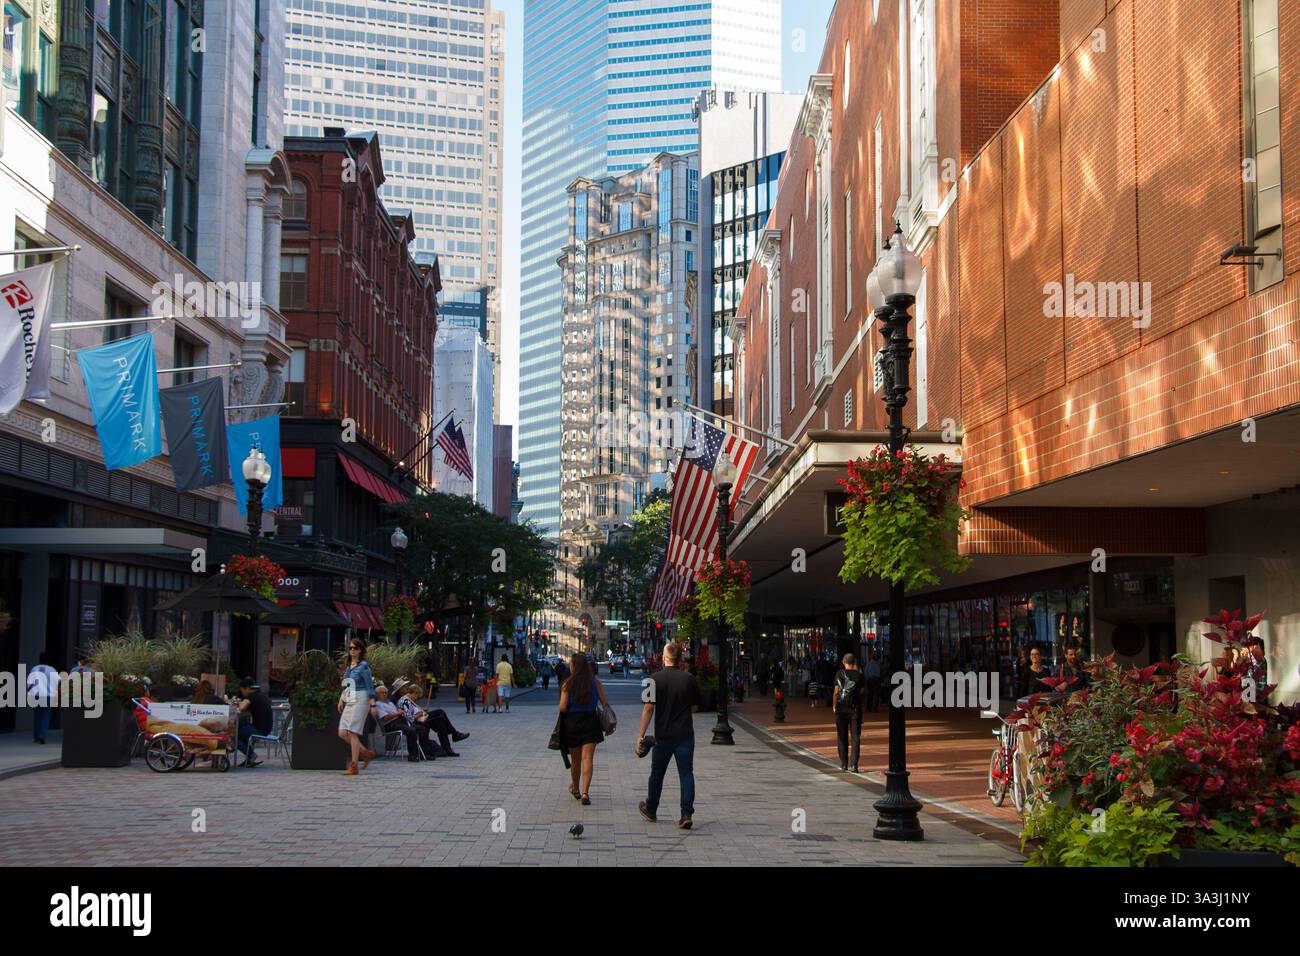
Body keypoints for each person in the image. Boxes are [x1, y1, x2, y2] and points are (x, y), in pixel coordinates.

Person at [636, 641, 699, 829]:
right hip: (685, 734)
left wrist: (641, 735)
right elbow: (695, 707)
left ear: (664, 658)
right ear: (680, 658)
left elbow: (648, 709)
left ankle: (651, 808)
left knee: (657, 773)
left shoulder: (652, 679)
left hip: (662, 734)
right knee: (686, 773)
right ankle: (686, 813)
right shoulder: (689, 679)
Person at [558, 653, 609, 805]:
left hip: (572, 723)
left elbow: (562, 707)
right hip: (590, 721)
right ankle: (586, 793)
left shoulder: (567, 684)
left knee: (575, 759)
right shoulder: (595, 682)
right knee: (588, 758)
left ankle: (575, 789)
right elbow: (604, 702)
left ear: (573, 666)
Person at [394, 679, 469, 757]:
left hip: (420, 718)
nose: (406, 688)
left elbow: (412, 711)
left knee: (441, 722)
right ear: (400, 689)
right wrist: (419, 714)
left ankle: (448, 748)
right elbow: (408, 717)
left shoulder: (407, 698)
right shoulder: (402, 700)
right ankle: (454, 735)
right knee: (440, 713)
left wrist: (421, 711)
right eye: (404, 687)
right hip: (416, 721)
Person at [338, 638, 377, 775]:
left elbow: (369, 685)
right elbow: (346, 684)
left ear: (360, 650)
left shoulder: (364, 666)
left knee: (352, 732)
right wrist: (341, 699)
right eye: (350, 648)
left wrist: (372, 704)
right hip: (350, 698)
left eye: (355, 648)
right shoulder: (350, 666)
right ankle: (365, 753)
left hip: (361, 697)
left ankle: (354, 765)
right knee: (342, 732)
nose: (352, 651)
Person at [832, 654, 866, 773]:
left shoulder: (839, 674)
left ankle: (844, 763)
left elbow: (836, 692)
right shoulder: (860, 675)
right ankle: (854, 765)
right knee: (855, 737)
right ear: (854, 662)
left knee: (842, 737)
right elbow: (862, 691)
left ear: (843, 662)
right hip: (855, 709)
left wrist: (834, 706)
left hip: (841, 709)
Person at [236, 677, 274, 767]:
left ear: (247, 689)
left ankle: (251, 755)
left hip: (260, 730)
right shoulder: (260, 695)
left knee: (233, 736)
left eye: (242, 690)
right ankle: (250, 757)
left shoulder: (252, 696)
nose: (242, 693)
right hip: (266, 728)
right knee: (241, 733)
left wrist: (239, 703)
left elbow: (241, 708)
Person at [26, 653, 59, 745]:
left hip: (36, 695)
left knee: (37, 716)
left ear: (39, 659)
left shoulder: (34, 669)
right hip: (48, 695)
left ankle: (36, 737)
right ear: (48, 660)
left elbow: (29, 684)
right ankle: (42, 735)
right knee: (45, 716)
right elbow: (58, 682)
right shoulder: (51, 669)